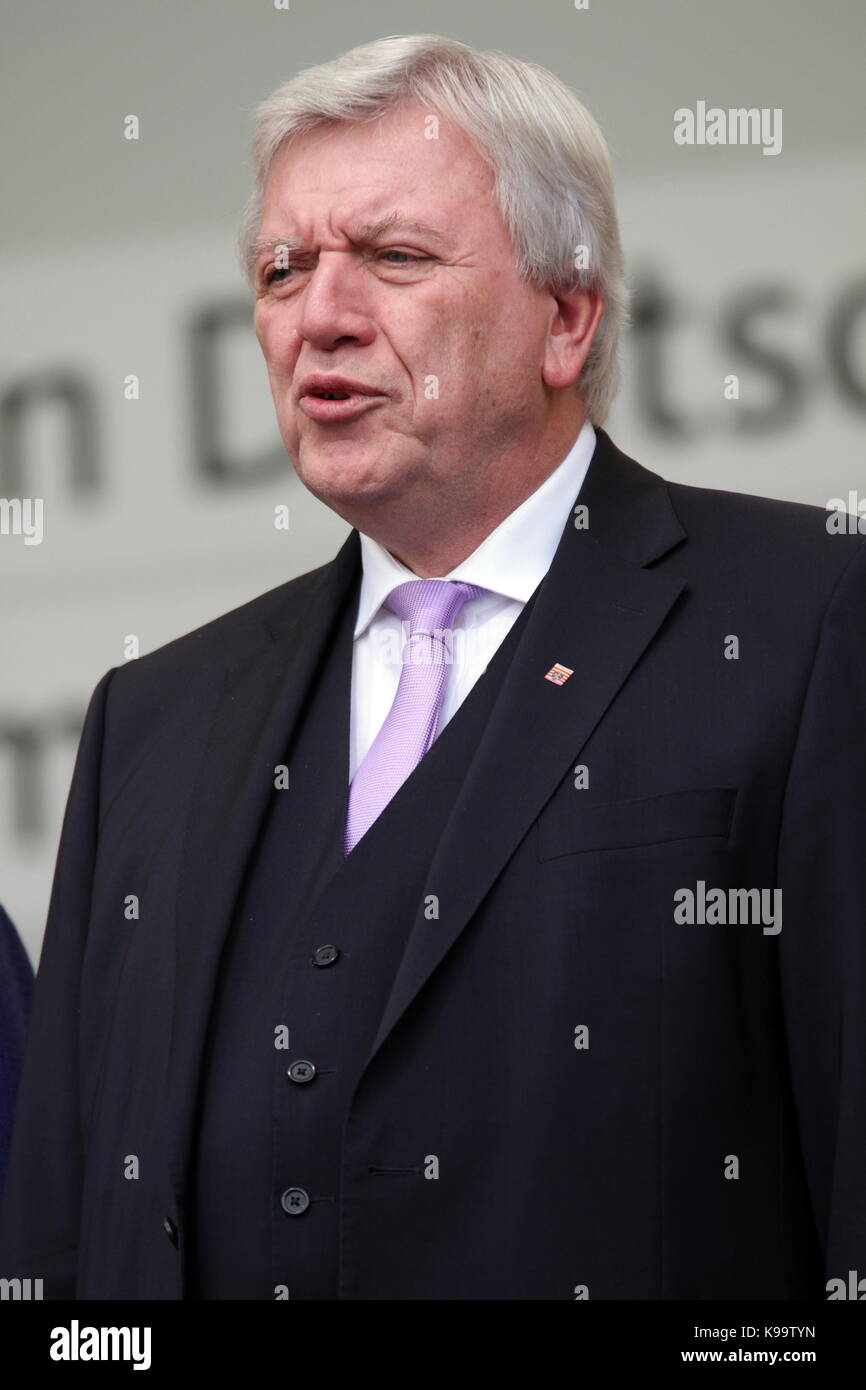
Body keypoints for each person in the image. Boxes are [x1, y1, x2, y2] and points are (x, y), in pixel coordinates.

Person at [1, 33, 864, 1301]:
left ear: (566, 320)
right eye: (282, 269)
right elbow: (62, 1245)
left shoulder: (810, 615)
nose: (320, 316)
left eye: (393, 258)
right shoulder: (153, 717)